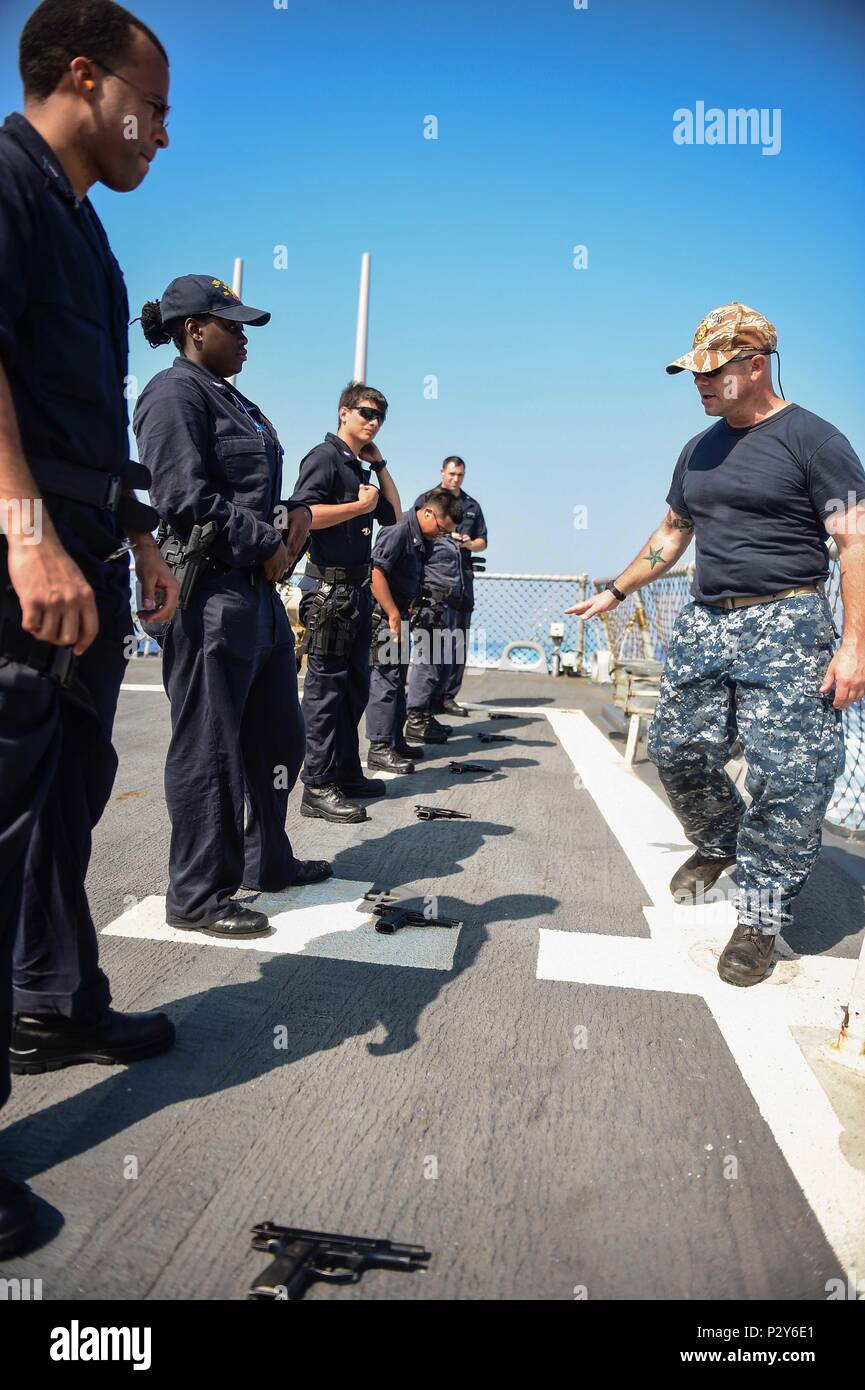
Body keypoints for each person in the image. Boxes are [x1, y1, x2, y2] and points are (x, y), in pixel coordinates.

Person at [0, 0, 178, 1256]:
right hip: (19, 560)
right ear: (84, 75)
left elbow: (87, 413)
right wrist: (23, 533)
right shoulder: (4, 184)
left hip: (86, 556)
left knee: (67, 796)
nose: (161, 134)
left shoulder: (91, 235)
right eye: (151, 105)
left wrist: (137, 533)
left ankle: (56, 1000)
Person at [568, 302, 865, 987]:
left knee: (788, 777)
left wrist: (853, 646)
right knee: (676, 749)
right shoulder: (696, 449)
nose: (697, 384)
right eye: (692, 372)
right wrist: (616, 590)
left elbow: (854, 545)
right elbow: (673, 533)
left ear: (754, 365)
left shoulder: (815, 442)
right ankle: (719, 839)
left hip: (786, 622)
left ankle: (759, 916)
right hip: (706, 622)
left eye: (711, 371)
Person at [133, 277, 330, 936]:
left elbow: (247, 492)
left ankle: (264, 859)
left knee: (279, 736)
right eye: (234, 326)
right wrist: (268, 542)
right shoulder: (172, 393)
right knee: (208, 748)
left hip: (257, 595)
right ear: (194, 327)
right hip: (211, 592)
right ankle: (196, 894)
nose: (245, 338)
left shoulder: (229, 397)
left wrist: (289, 520)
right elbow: (181, 497)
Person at [289, 384, 401, 823]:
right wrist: (356, 509)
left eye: (380, 417)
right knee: (325, 692)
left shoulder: (360, 465)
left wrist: (381, 464)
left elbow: (392, 514)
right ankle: (316, 785)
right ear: (344, 412)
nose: (372, 421)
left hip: (356, 591)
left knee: (355, 687)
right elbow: (302, 514)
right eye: (366, 412)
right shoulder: (324, 457)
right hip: (330, 591)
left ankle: (346, 772)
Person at [366, 489, 464, 773]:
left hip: (400, 616)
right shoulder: (398, 530)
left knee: (397, 679)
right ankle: (380, 747)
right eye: (441, 529)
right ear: (429, 512)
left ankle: (396, 740)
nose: (441, 535)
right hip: (386, 617)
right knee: (385, 680)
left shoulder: (420, 537)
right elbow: (376, 571)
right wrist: (393, 613)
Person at [403, 490, 468, 746]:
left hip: (443, 604)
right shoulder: (425, 537)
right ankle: (416, 719)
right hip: (429, 604)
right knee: (428, 663)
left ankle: (425, 713)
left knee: (439, 661)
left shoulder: (442, 536)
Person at [428, 456, 487, 716]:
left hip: (463, 578)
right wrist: (445, 535)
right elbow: (418, 531)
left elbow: (483, 541)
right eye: (451, 474)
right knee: (433, 640)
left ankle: (448, 697)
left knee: (459, 640)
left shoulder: (472, 505)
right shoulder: (427, 500)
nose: (455, 479)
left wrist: (468, 543)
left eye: (460, 475)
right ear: (442, 472)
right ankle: (426, 698)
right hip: (436, 576)